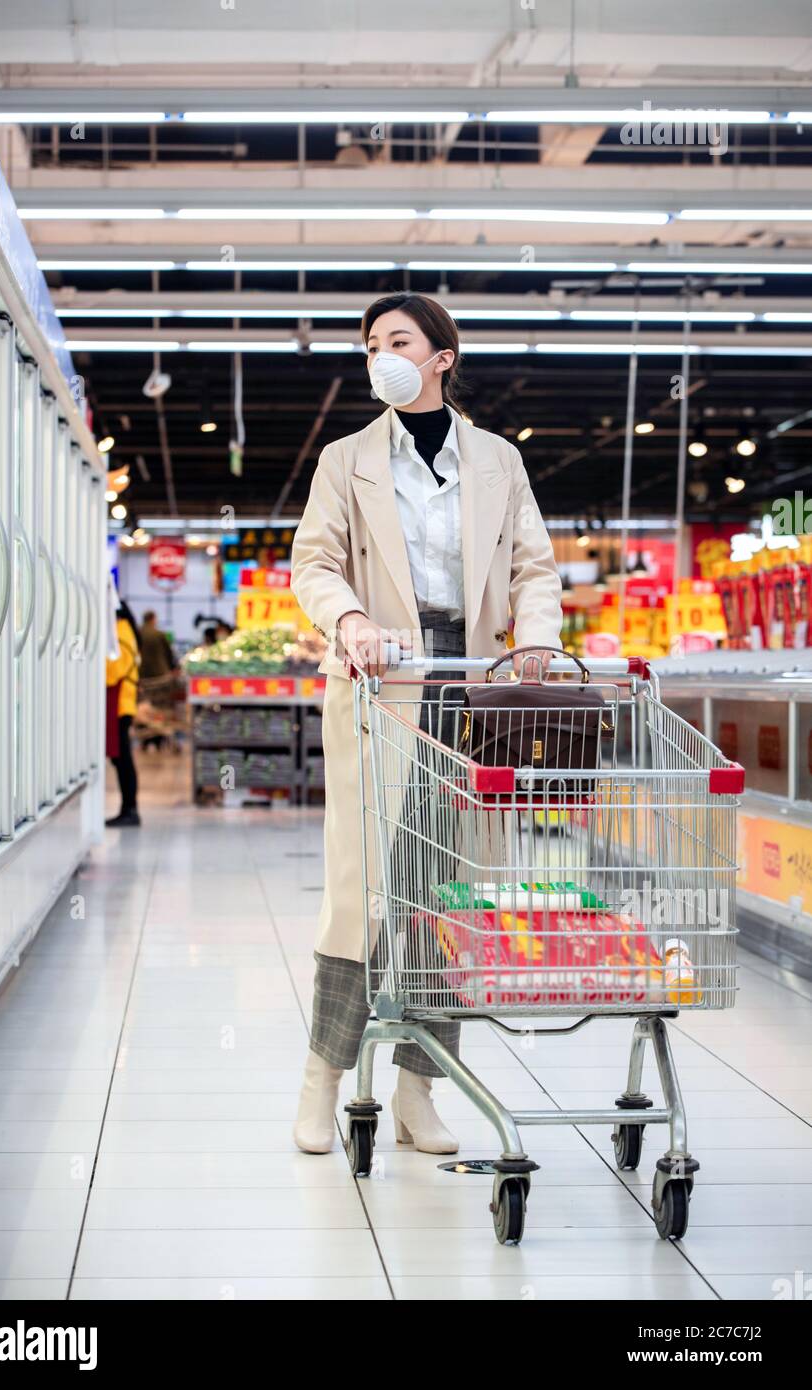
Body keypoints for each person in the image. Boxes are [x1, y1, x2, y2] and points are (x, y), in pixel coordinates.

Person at [289, 291, 563, 1156]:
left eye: (398, 341)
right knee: (361, 893)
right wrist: (349, 621)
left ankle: (418, 1092)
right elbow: (313, 561)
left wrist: (539, 643)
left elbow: (534, 567)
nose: (381, 355)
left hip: (470, 688)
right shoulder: (346, 458)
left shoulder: (498, 461)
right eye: (371, 344)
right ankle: (321, 1082)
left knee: (446, 897)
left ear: (444, 355)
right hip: (378, 685)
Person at [105, 597, 142, 827]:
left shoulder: (120, 632)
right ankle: (128, 808)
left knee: (123, 759)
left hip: (121, 704)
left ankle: (130, 809)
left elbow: (113, 671)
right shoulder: (124, 631)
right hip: (123, 703)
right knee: (121, 759)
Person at [138, 610, 178, 751]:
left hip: (142, 677)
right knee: (161, 707)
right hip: (160, 677)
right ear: (153, 619)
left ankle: (145, 740)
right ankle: (160, 738)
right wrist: (174, 668)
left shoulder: (137, 633)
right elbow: (169, 655)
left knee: (144, 708)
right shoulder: (159, 635)